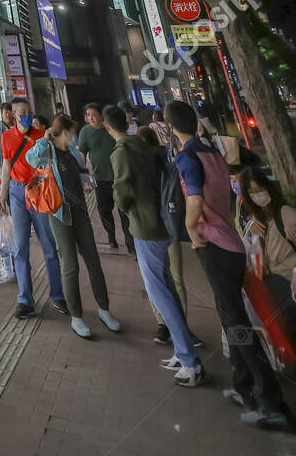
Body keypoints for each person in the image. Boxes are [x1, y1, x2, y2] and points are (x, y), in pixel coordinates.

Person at [165, 99, 291, 429]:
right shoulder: (213, 154)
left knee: (235, 323)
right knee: (230, 316)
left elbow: (193, 198)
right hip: (231, 243)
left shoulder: (188, 157)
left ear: (170, 127)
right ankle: (244, 386)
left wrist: (193, 229)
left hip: (215, 246)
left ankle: (272, 402)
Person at [104, 104, 203, 386]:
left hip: (146, 228)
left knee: (160, 294)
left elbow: (122, 191)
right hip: (162, 222)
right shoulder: (141, 143)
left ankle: (189, 361)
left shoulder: (121, 152)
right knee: (168, 288)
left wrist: (125, 208)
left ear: (108, 128)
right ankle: (181, 351)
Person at [28, 114, 122, 339]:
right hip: (60, 215)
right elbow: (31, 158)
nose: (74, 137)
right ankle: (76, 317)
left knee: (93, 261)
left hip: (80, 213)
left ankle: (104, 310)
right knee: (70, 266)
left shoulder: (71, 152)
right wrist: (45, 137)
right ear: (65, 131)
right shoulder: (48, 151)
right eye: (72, 132)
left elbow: (81, 171)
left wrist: (87, 181)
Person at [0, 108, 66, 318]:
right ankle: (25, 300)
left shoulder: (40, 136)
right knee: (20, 249)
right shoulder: (6, 136)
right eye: (21, 111)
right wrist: (2, 195)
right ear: (14, 114)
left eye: (28, 111)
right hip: (17, 193)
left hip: (38, 189)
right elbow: (6, 166)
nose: (25, 114)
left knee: (49, 246)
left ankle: (57, 295)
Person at [238, 167, 296, 347]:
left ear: (268, 187)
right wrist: (251, 229)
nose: (257, 195)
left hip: (288, 280)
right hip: (273, 278)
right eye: (252, 192)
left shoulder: (285, 212)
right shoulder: (257, 220)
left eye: (260, 190)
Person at [78, 103, 134, 253]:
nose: (91, 118)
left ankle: (131, 245)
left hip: (118, 177)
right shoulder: (85, 132)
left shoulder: (110, 127)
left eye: (93, 114)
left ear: (101, 116)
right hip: (100, 179)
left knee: (124, 211)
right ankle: (111, 236)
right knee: (103, 210)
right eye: (88, 115)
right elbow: (82, 156)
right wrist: (86, 181)